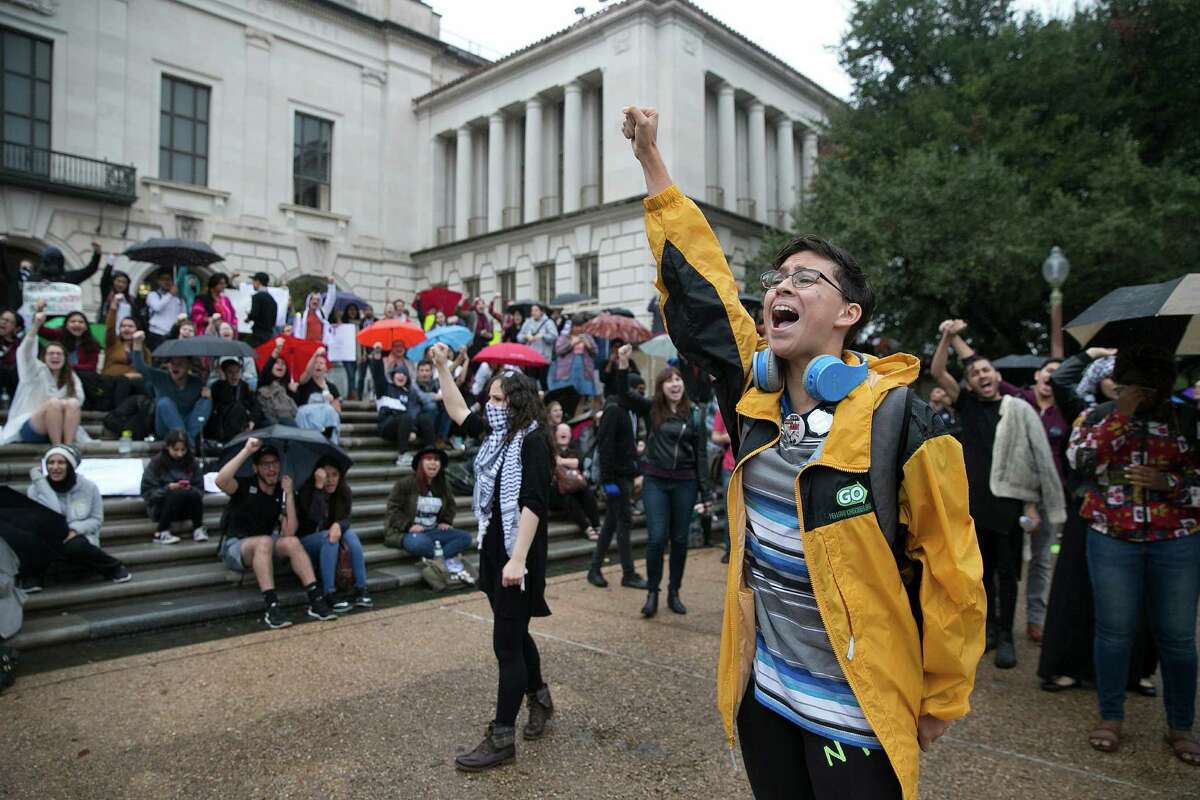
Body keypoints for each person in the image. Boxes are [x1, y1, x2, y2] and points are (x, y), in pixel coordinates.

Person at [625, 104, 984, 799]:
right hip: (766, 697)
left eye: (806, 278)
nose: (782, 285)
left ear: (849, 315)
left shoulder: (903, 423)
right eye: (778, 277)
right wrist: (652, 165)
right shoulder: (751, 400)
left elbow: (952, 574)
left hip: (856, 714)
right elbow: (702, 293)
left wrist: (939, 697)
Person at [1069, 345, 1200, 766]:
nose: (1143, 391)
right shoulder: (1097, 416)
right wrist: (1121, 415)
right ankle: (1110, 717)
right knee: (1114, 632)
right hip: (1112, 536)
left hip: (1176, 537)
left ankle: (1181, 726)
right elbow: (1082, 461)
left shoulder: (1186, 418)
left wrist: (1171, 484)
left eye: (1151, 384)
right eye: (1133, 383)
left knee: (1178, 638)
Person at [427, 343, 555, 771]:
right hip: (493, 547)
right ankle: (539, 696)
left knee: (506, 643)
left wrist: (517, 560)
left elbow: (534, 503)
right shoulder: (498, 435)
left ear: (516, 403)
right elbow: (458, 410)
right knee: (516, 634)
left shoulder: (533, 441)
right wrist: (443, 368)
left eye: (498, 399)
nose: (490, 404)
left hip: (518, 552)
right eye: (490, 397)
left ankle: (503, 736)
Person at [931, 320, 1064, 669]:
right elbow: (938, 370)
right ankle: (988, 629)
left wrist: (1034, 504)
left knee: (1008, 571)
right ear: (970, 383)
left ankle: (1007, 635)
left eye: (986, 370)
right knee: (982, 571)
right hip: (976, 504)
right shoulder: (967, 405)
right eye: (974, 373)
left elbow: (1035, 459)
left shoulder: (1017, 408)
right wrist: (947, 337)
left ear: (996, 374)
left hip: (1008, 503)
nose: (981, 376)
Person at [215, 437, 336, 628]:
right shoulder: (245, 486)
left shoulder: (281, 491)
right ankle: (272, 606)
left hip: (264, 546)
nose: (271, 469)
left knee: (292, 542)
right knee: (264, 541)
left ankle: (315, 599)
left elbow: (289, 532)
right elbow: (220, 480)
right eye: (265, 464)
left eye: (275, 463)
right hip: (236, 547)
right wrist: (247, 450)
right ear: (255, 468)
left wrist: (288, 494)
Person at [23, 445, 130, 590]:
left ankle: (114, 567)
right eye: (51, 462)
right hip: (48, 536)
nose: (55, 467)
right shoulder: (36, 490)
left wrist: (73, 530)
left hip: (79, 537)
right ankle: (33, 578)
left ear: (70, 466)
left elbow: (96, 520)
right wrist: (43, 486)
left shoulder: (89, 487)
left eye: (61, 462)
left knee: (75, 545)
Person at [587, 369, 649, 591]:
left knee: (612, 523)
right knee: (623, 522)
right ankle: (628, 573)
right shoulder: (614, 410)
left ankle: (594, 568)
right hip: (615, 479)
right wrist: (608, 482)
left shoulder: (629, 410)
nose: (641, 396)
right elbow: (605, 448)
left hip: (625, 475)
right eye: (638, 391)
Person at [383, 446, 475, 584]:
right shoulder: (405, 484)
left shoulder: (442, 485)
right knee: (421, 544)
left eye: (437, 460)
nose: (433, 463)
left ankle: (436, 561)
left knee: (465, 538)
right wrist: (409, 526)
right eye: (429, 459)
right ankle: (442, 559)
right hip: (405, 532)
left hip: (432, 531)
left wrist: (446, 521)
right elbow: (392, 510)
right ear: (420, 463)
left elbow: (451, 506)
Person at [1, 312, 87, 445]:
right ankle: (57, 447)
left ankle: (68, 448)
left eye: (59, 354)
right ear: (44, 357)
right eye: (51, 354)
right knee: (53, 403)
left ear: (65, 359)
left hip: (61, 425)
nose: (55, 357)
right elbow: (26, 351)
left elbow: (79, 399)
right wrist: (36, 326)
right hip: (33, 427)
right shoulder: (33, 370)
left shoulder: (71, 376)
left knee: (73, 403)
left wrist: (63, 404)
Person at [297, 459, 372, 612]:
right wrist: (318, 489)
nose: (330, 480)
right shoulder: (306, 491)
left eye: (334, 475)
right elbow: (313, 520)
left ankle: (361, 588)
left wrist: (338, 525)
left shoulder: (343, 491)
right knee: (328, 538)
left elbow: (346, 519)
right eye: (326, 475)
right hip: (306, 541)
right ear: (318, 475)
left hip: (330, 538)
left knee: (351, 536)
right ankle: (329, 592)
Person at [130, 331, 211, 446]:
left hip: (188, 425)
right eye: (172, 363)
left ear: (188, 366)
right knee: (164, 403)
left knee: (207, 401)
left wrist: (206, 396)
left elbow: (201, 410)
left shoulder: (196, 382)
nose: (175, 367)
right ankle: (187, 444)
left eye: (180, 364)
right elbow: (140, 367)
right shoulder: (160, 377)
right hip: (165, 428)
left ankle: (185, 439)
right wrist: (137, 344)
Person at [367, 345, 434, 461]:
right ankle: (403, 454)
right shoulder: (384, 388)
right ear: (393, 376)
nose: (401, 376)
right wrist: (377, 355)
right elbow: (378, 375)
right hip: (387, 425)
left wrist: (412, 430)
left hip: (406, 425)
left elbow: (414, 411)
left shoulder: (410, 393)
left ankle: (430, 451)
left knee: (425, 417)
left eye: (404, 374)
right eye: (398, 373)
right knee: (405, 417)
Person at [140, 429, 207, 545]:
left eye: (183, 450)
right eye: (175, 450)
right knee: (177, 493)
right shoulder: (157, 463)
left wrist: (189, 488)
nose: (180, 454)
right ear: (167, 447)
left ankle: (198, 528)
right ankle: (162, 531)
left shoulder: (192, 463)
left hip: (186, 506)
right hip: (161, 508)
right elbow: (147, 493)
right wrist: (168, 488)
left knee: (191, 494)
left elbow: (200, 489)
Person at [551, 422, 599, 541]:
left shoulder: (575, 449)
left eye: (566, 430)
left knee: (586, 491)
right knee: (568, 497)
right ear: (555, 434)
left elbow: (580, 463)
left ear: (570, 434)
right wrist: (570, 463)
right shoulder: (550, 449)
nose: (563, 432)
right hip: (556, 492)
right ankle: (587, 528)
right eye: (560, 430)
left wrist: (561, 461)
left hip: (576, 488)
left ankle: (596, 524)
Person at [100, 294, 145, 409]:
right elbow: (110, 327)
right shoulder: (113, 343)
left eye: (130, 326)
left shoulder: (143, 349)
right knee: (122, 382)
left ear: (136, 329)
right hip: (110, 381)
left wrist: (131, 376)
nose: (126, 329)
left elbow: (146, 371)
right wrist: (114, 306)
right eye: (123, 326)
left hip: (132, 385)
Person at [207, 357, 261, 443]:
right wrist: (225, 383)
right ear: (224, 373)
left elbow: (256, 406)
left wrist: (252, 420)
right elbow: (223, 402)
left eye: (237, 372)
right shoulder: (217, 387)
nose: (234, 375)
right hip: (223, 425)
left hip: (242, 424)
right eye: (230, 372)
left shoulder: (244, 386)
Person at [294, 349, 341, 442]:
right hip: (307, 422)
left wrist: (331, 400)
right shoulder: (306, 382)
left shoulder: (332, 387)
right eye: (316, 362)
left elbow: (338, 411)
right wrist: (315, 355)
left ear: (326, 368)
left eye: (321, 363)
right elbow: (307, 372)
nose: (318, 365)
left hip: (325, 424)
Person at [710, 408, 736, 563]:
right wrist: (729, 437)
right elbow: (715, 436)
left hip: (751, 466)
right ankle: (730, 549)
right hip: (730, 466)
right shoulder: (723, 410)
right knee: (730, 511)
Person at [257, 339, 300, 426]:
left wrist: (294, 392)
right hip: (270, 420)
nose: (280, 365)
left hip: (288, 419)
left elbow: (294, 408)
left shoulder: (288, 386)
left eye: (283, 364)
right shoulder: (264, 381)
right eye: (277, 363)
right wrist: (277, 350)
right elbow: (266, 369)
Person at [516, 304, 557, 386]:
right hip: (530, 358)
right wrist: (526, 337)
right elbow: (519, 337)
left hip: (544, 358)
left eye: (536, 310)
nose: (533, 312)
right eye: (532, 310)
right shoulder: (528, 322)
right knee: (530, 382)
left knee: (544, 383)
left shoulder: (548, 322)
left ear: (541, 311)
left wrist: (542, 336)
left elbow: (554, 336)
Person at [144, 270, 183, 352]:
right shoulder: (153, 295)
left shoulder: (176, 299)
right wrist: (170, 294)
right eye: (164, 279)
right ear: (158, 281)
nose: (167, 282)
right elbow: (157, 307)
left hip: (172, 334)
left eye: (169, 279)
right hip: (156, 333)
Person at [292, 276, 337, 341]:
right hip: (305, 345)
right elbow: (297, 333)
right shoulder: (301, 315)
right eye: (313, 299)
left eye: (317, 300)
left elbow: (331, 300)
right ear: (309, 301)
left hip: (319, 347)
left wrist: (331, 285)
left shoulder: (323, 313)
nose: (315, 301)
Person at [245, 272, 278, 348]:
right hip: (268, 335)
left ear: (258, 282)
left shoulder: (257, 297)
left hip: (258, 334)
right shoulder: (272, 300)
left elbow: (254, 314)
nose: (252, 283)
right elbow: (274, 319)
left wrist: (248, 317)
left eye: (253, 281)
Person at [0, 309, 20, 398]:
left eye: (8, 321)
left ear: (15, 328)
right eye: (2, 319)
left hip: (12, 390)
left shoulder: (19, 345)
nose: (3, 322)